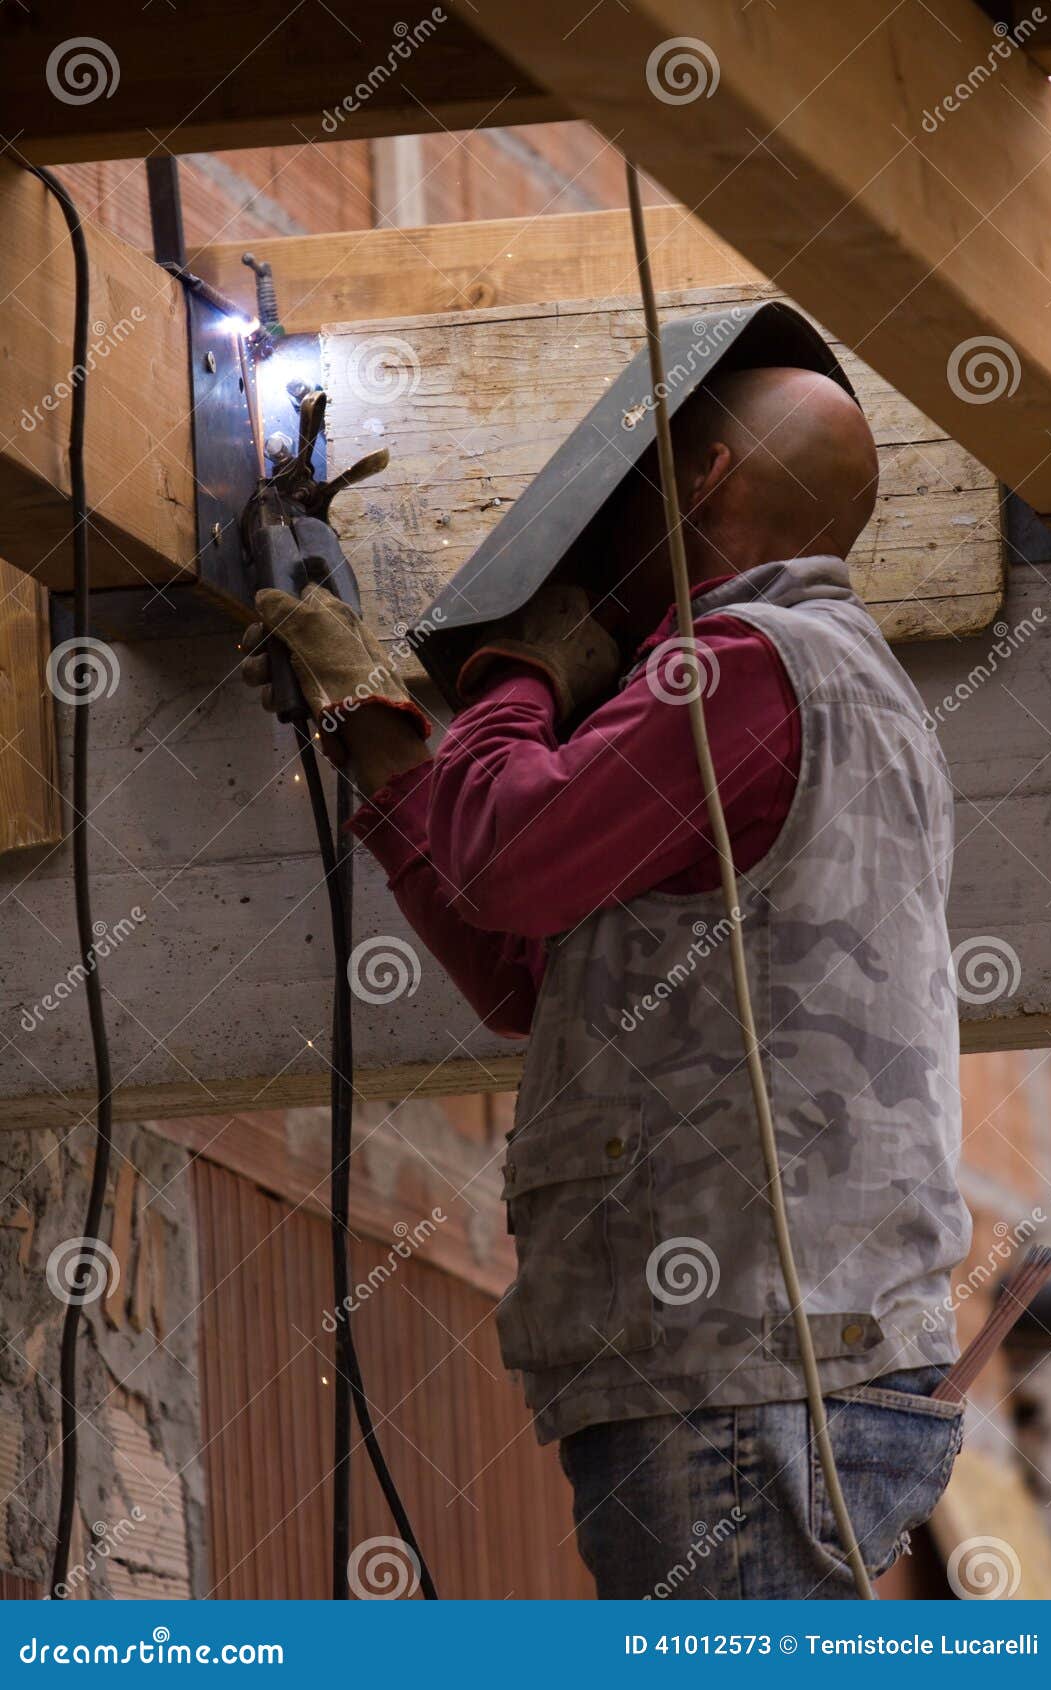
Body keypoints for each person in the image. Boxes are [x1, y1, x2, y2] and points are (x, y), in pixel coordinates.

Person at [241, 365, 970, 1599]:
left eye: (633, 479)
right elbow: (530, 965)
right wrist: (371, 726)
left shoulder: (745, 662)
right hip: (772, 1363)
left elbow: (511, 863)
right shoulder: (850, 691)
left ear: (705, 478)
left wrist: (517, 675)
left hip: (739, 1365)